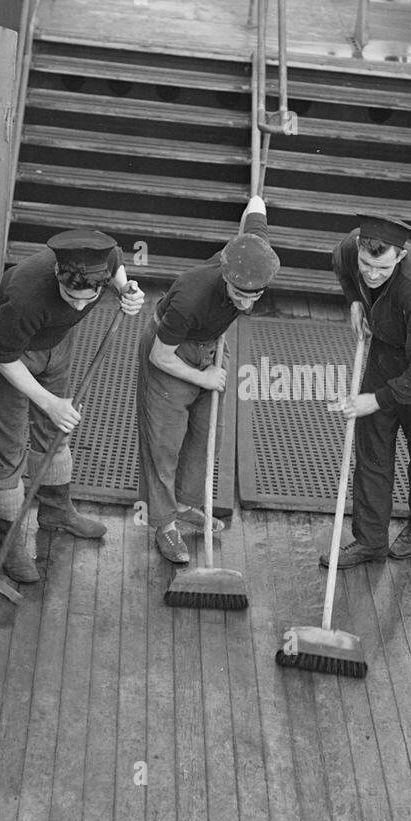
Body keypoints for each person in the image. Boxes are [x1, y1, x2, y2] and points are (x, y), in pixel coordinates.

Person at [0, 228, 145, 583]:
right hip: (11, 359)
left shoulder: (104, 260)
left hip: (57, 346)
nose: (80, 306)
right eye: (71, 297)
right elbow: (3, 357)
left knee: (55, 432)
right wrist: (49, 402)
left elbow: (118, 265)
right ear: (58, 275)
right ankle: (6, 543)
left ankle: (55, 513)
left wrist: (126, 290)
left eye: (89, 299)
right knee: (8, 447)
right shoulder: (25, 296)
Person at [138, 194, 279, 564]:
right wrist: (204, 378)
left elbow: (256, 205)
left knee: (206, 436)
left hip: (213, 344)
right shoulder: (191, 291)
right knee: (164, 443)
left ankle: (185, 504)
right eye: (238, 296)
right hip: (174, 351)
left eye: (254, 298)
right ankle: (164, 525)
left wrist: (257, 201)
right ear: (226, 279)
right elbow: (159, 356)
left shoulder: (252, 254)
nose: (246, 305)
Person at [322, 214, 411, 566]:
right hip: (386, 353)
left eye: (381, 268)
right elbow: (342, 263)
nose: (371, 274)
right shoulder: (350, 249)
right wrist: (355, 298)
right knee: (372, 450)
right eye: (366, 264)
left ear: (400, 256)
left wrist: (376, 399)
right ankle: (370, 540)